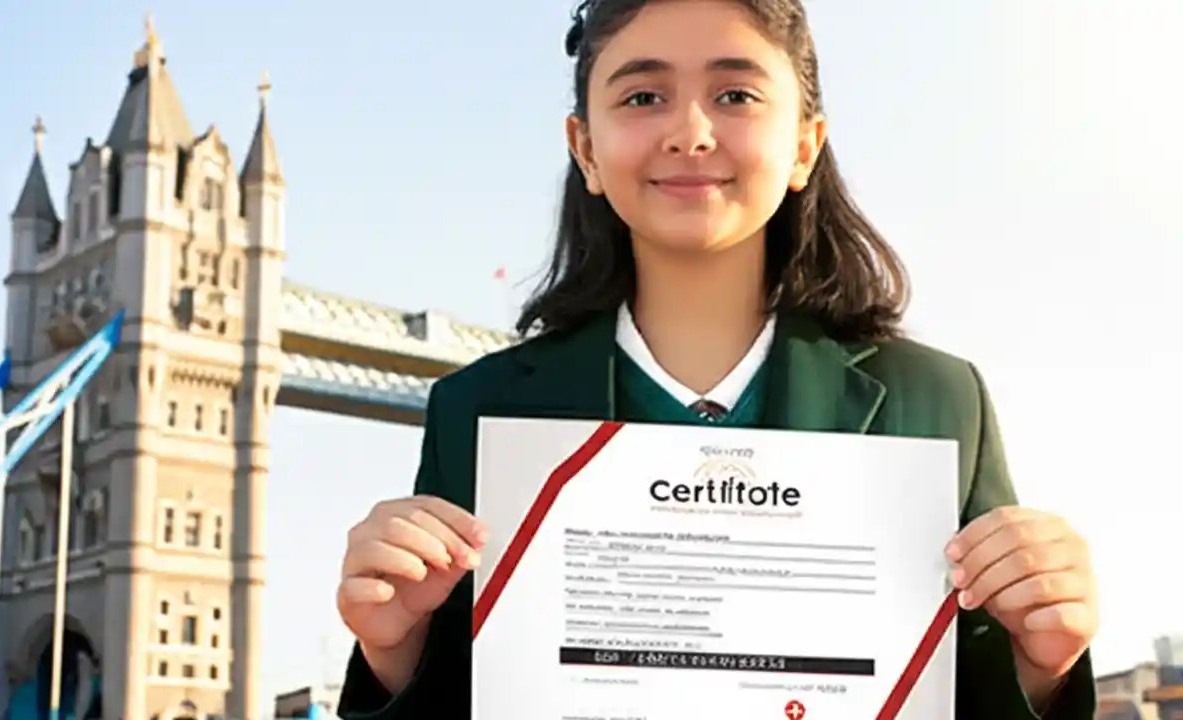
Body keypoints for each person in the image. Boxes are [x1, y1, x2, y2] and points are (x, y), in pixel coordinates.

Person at [334, 0, 1099, 717]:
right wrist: (395, 649)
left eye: (735, 95)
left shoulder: (937, 399)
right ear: (585, 149)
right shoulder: (478, 410)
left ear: (804, 144)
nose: (691, 132)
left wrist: (1042, 662)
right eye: (643, 98)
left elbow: (968, 688)